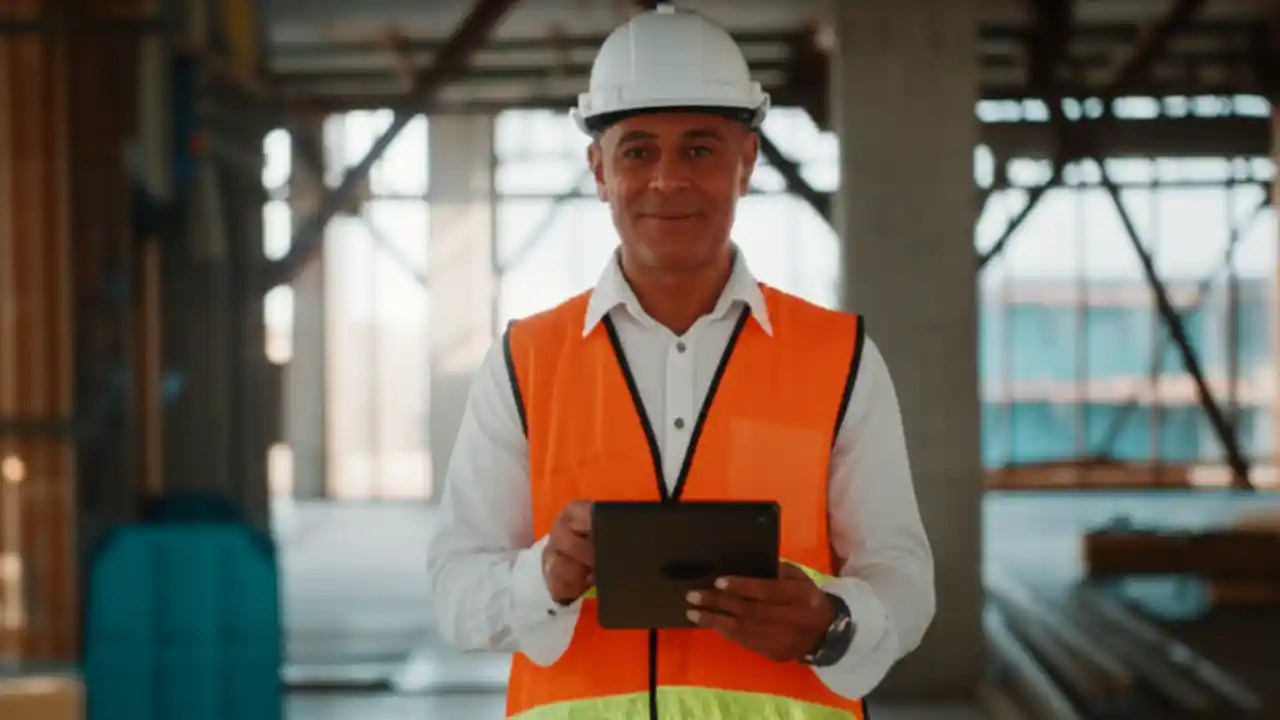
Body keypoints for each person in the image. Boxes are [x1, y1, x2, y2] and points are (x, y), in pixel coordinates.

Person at [427, 4, 934, 718]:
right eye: (637, 151)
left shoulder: (839, 357)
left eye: (700, 149)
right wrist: (542, 577)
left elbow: (904, 579)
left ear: (746, 162)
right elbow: (454, 587)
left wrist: (830, 623)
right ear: (598, 169)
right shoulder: (525, 361)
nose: (667, 179)